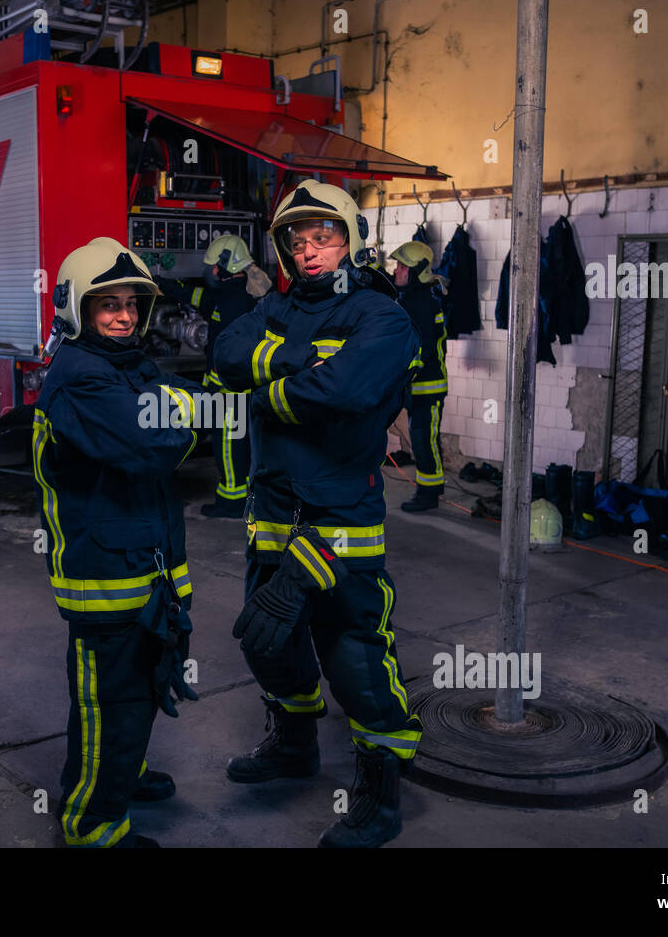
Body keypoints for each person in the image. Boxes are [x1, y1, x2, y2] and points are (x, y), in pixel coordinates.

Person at [213, 180, 424, 848]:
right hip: (272, 512)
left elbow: (352, 389)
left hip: (341, 522)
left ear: (351, 238)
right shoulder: (274, 306)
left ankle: (379, 797)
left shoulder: (381, 315)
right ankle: (293, 744)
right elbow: (225, 358)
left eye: (323, 237)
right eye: (297, 240)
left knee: (355, 658)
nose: (309, 252)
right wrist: (304, 364)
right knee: (266, 639)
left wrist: (267, 387)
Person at [31, 236, 201, 848]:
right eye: (108, 304)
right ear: (78, 308)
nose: (125, 315)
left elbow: (182, 413)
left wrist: (177, 405)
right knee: (113, 701)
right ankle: (94, 825)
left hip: (140, 567)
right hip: (105, 576)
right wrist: (183, 407)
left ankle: (110, 775)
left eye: (131, 303)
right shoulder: (81, 379)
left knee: (127, 693)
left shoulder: (124, 367)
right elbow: (153, 444)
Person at [155, 233, 268, 518]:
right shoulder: (234, 294)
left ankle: (232, 502)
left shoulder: (236, 301)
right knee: (232, 444)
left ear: (226, 266)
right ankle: (239, 497)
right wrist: (162, 282)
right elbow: (196, 297)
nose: (212, 271)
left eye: (214, 266)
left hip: (231, 392)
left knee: (229, 448)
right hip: (228, 390)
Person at [390, 241, 449, 513]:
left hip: (428, 386)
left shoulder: (422, 303)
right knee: (421, 439)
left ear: (417, 271)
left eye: (402, 265)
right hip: (417, 387)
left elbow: (419, 351)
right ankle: (430, 488)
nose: (396, 270)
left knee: (425, 441)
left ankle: (428, 494)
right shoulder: (410, 300)